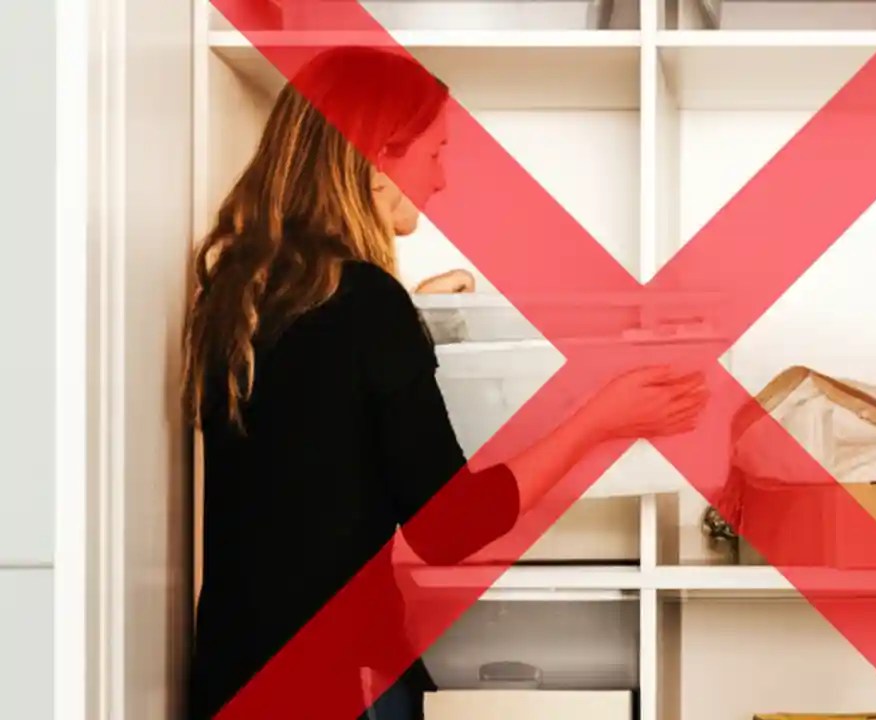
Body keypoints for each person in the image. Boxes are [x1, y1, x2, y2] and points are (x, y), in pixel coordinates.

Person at [182, 47, 708, 720]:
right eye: (433, 154)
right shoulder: (367, 304)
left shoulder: (235, 296)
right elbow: (447, 527)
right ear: (378, 159)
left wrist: (415, 317)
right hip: (334, 685)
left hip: (234, 676)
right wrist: (601, 419)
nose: (442, 179)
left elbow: (316, 447)